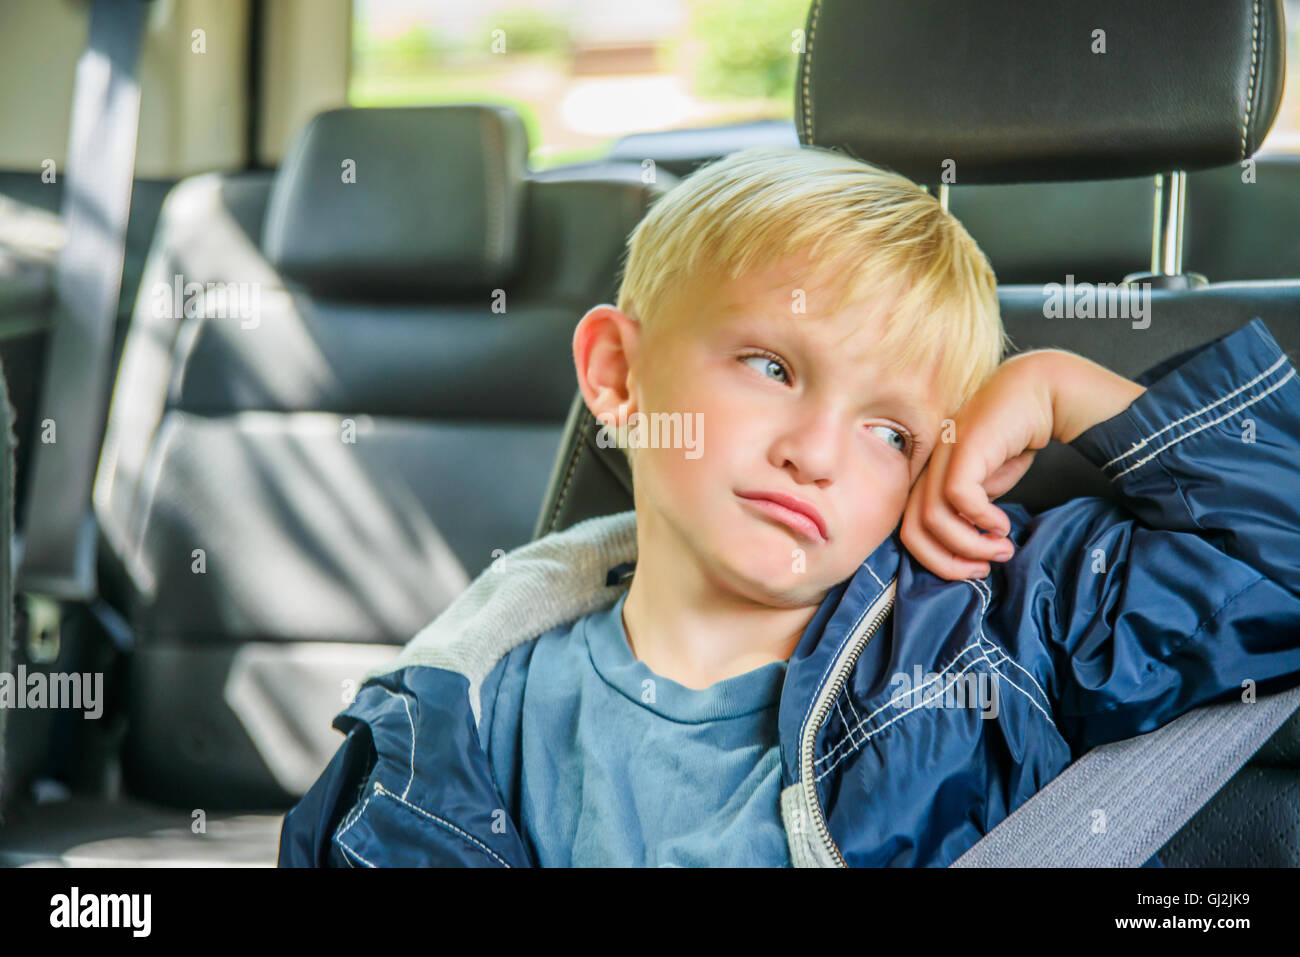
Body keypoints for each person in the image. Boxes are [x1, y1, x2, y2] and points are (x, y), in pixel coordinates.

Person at [278, 145, 1300, 867]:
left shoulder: (989, 634)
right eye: (770, 366)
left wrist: (1060, 388)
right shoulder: (447, 717)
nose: (813, 452)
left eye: (891, 433)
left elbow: (1278, 565)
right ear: (618, 375)